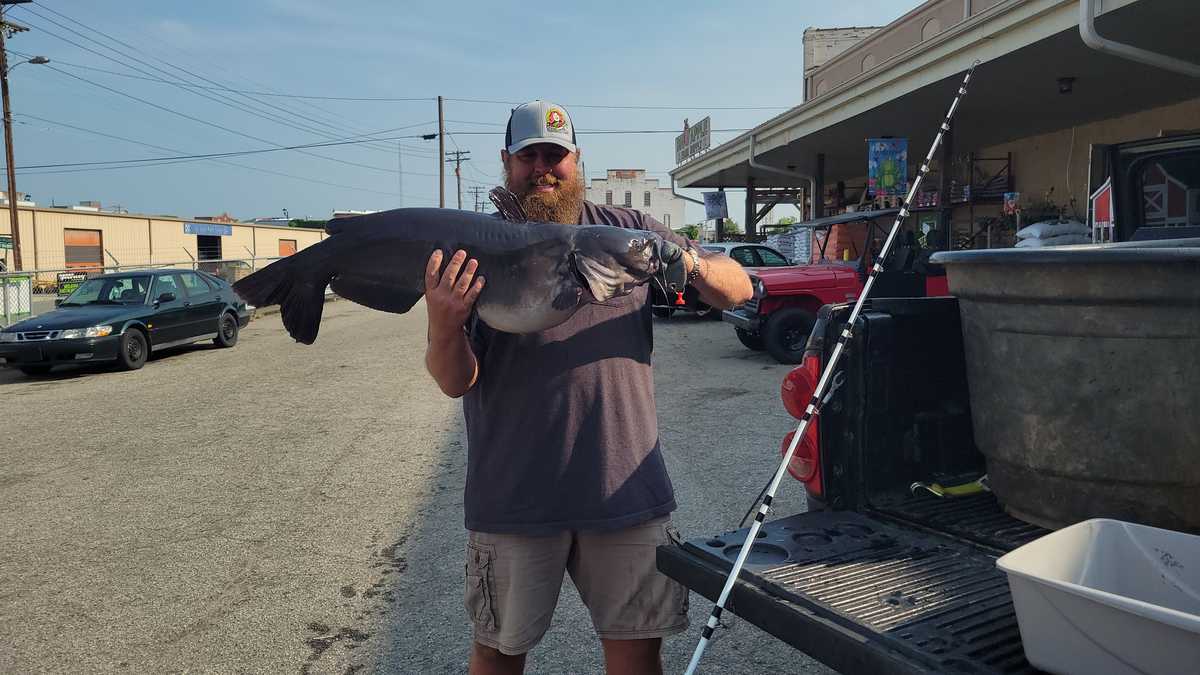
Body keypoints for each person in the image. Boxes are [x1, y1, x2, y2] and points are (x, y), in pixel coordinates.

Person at [423, 99, 752, 675]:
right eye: (530, 157)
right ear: (506, 162)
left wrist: (689, 264)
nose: (543, 169)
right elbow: (455, 383)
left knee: (636, 655)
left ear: (577, 160)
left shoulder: (630, 233)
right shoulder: (478, 246)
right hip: (513, 497)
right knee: (498, 654)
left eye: (556, 156)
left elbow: (739, 289)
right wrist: (443, 324)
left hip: (624, 490)